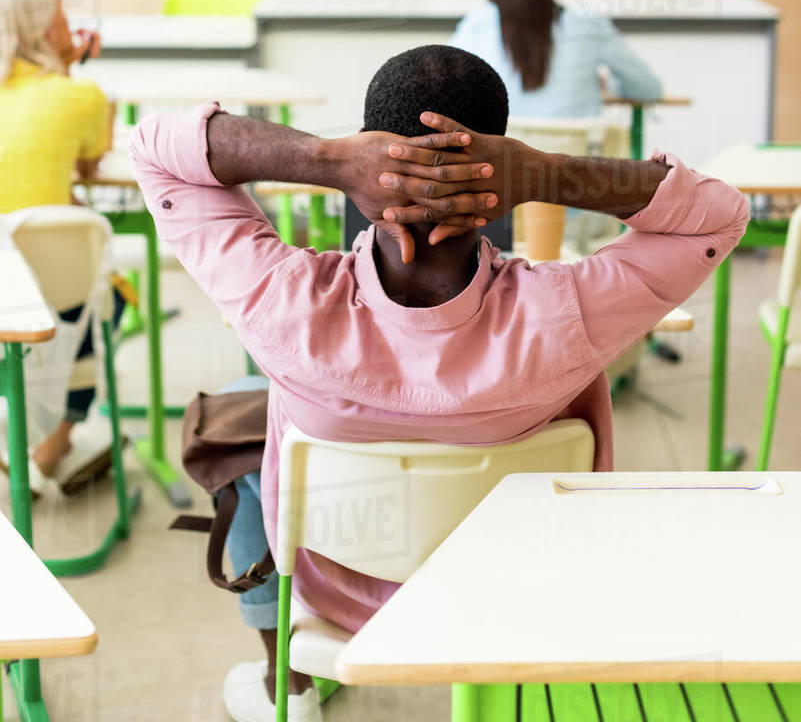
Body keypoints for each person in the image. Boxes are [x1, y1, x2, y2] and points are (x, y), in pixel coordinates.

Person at [130, 44, 748, 722]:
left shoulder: (280, 303)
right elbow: (718, 214)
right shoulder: (567, 316)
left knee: (239, 434)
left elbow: (157, 148)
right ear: (501, 182)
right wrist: (548, 174)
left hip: (338, 604)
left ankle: (290, 684)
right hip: (521, 596)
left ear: (365, 168)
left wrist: (329, 160)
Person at [0, 0, 119, 493]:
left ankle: (28, 432)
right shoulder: (78, 96)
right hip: (47, 297)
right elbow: (93, 155)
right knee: (108, 297)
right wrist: (68, 72)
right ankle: (55, 443)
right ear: (49, 29)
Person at [452, 0, 661, 117]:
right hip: (576, 166)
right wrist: (608, 86)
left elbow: (443, 84)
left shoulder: (477, 26)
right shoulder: (588, 25)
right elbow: (648, 88)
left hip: (501, 165)